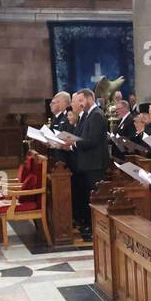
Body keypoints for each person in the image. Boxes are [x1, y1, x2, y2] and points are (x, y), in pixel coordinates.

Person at [62, 89, 107, 240]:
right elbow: (83, 136)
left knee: (94, 197)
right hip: (87, 163)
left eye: (81, 100)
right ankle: (88, 225)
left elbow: (92, 141)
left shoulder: (96, 115)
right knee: (87, 197)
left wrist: (73, 145)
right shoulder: (89, 115)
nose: (80, 104)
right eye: (78, 101)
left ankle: (94, 229)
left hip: (94, 164)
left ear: (89, 99)